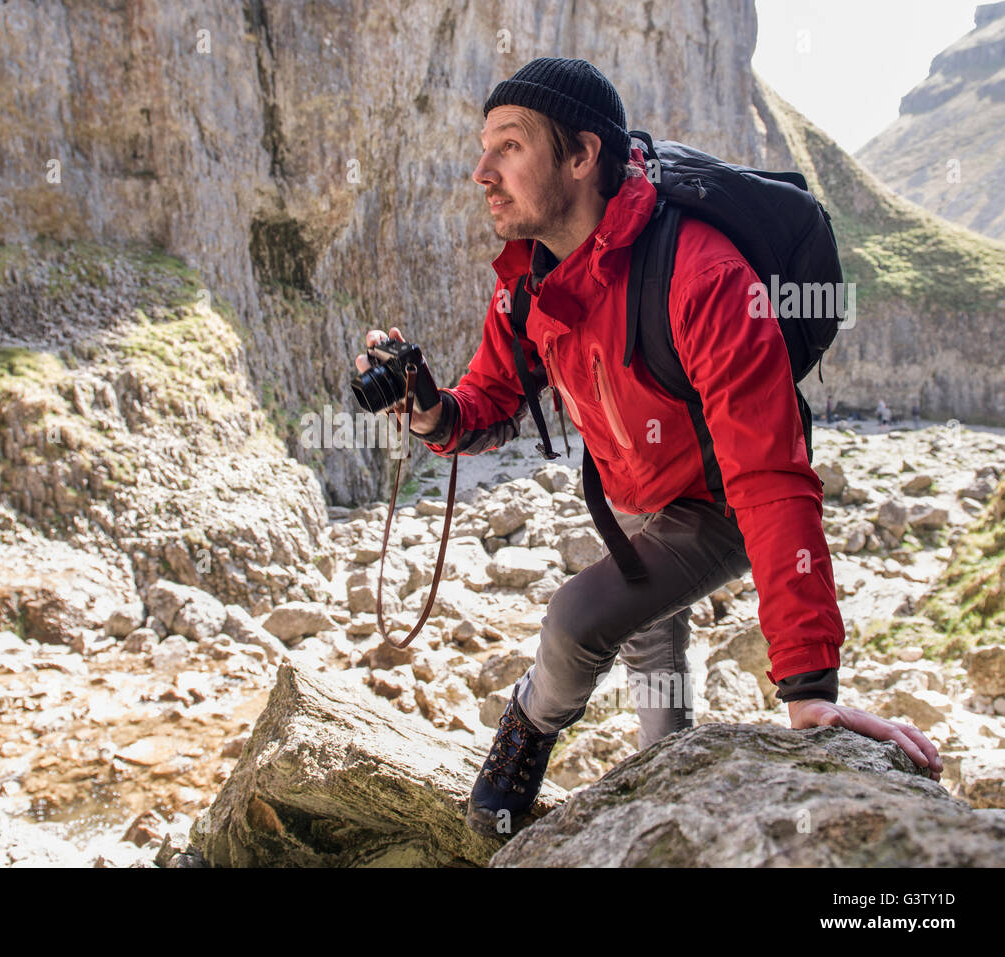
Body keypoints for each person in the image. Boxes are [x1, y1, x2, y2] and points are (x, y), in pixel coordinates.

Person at [354, 57, 941, 839]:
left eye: (509, 146)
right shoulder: (528, 277)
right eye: (483, 146)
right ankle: (667, 798)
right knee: (659, 700)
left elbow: (770, 476)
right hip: (629, 495)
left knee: (573, 619)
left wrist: (809, 685)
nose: (481, 171)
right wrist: (425, 405)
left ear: (581, 155)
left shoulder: (704, 276)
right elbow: (489, 404)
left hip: (717, 501)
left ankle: (526, 726)